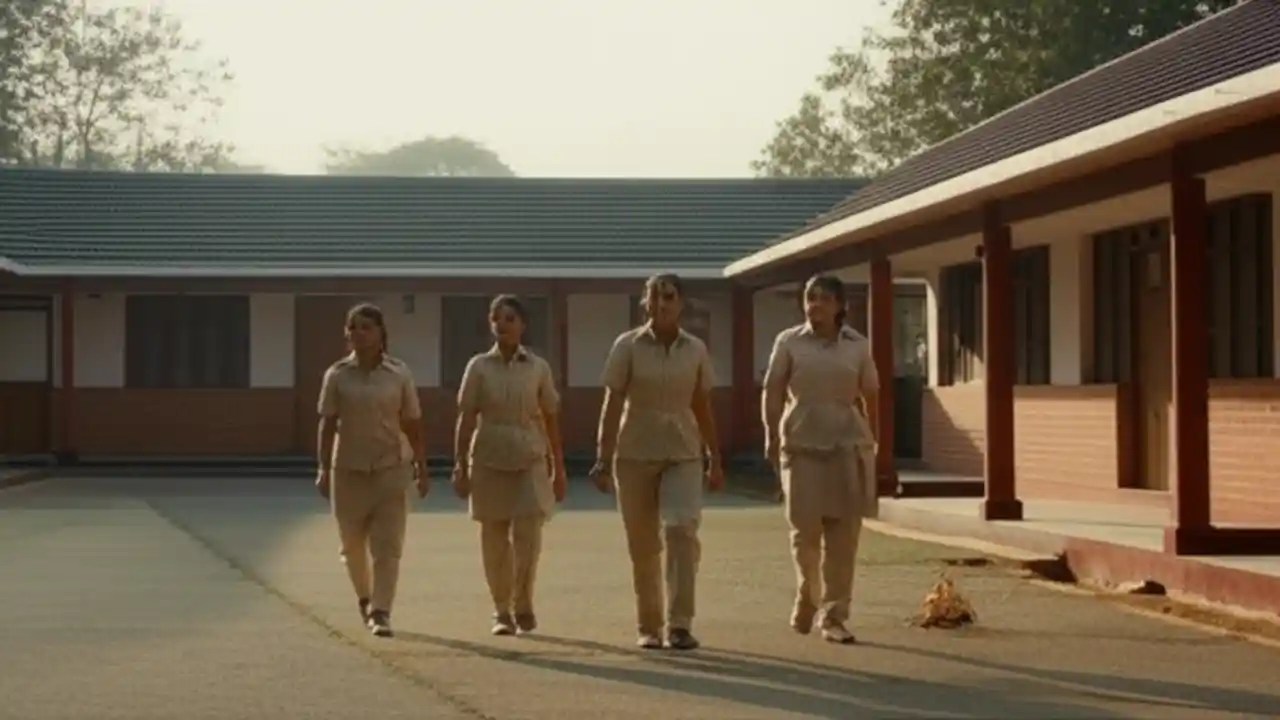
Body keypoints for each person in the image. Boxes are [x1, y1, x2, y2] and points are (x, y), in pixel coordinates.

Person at [590, 273, 725, 651]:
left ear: (681, 303)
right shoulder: (627, 346)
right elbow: (612, 402)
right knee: (644, 545)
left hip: (683, 453)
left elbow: (702, 404)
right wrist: (602, 457)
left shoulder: (695, 349)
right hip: (634, 455)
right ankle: (649, 625)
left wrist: (715, 457)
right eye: (654, 297)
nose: (662, 303)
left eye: (669, 296)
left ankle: (679, 624)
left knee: (681, 530)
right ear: (644, 303)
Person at [761, 274, 880, 645]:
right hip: (801, 446)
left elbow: (872, 393)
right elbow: (773, 389)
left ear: (841, 306)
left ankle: (834, 615)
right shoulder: (789, 342)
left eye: (825, 299)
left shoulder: (857, 345)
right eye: (810, 298)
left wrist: (873, 441)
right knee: (805, 532)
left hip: (846, 446)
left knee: (843, 538)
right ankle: (808, 595)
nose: (815, 306)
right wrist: (770, 434)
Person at [452, 295, 568, 636]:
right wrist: (459, 464)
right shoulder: (478, 367)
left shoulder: (538, 367)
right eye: (496, 319)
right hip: (489, 454)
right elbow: (466, 416)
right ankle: (501, 610)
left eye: (510, 319)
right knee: (494, 535)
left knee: (528, 534)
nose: (502, 325)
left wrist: (557, 467)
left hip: (529, 454)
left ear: (522, 325)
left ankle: (523, 601)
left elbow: (550, 417)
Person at [315, 302, 429, 638]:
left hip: (390, 468)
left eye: (366, 327)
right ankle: (365, 598)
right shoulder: (336, 375)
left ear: (381, 334)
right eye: (353, 327)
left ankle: (382, 611)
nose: (359, 334)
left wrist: (422, 467)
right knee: (351, 546)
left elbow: (412, 423)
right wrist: (322, 467)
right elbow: (327, 423)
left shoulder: (399, 374)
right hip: (348, 470)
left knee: (387, 545)